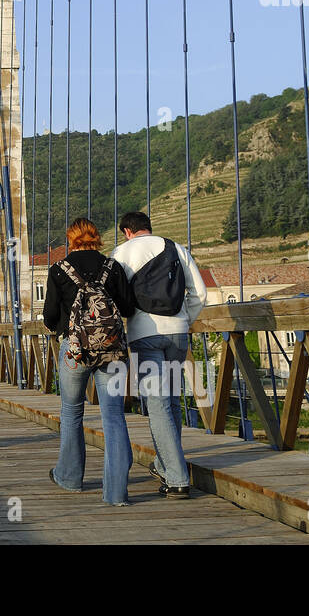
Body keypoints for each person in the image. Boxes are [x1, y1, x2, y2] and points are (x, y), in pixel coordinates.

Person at [110, 211, 207, 499]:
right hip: (177, 335)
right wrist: (183, 321)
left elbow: (114, 299)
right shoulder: (176, 248)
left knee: (157, 404)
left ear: (127, 231)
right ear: (148, 227)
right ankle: (165, 465)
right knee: (172, 401)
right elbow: (200, 293)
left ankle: (177, 479)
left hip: (144, 335)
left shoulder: (121, 253)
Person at [42, 217, 138, 504]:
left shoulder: (59, 269)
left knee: (72, 412)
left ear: (71, 239)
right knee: (113, 416)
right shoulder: (112, 267)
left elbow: (49, 315)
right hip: (110, 351)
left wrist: (61, 328)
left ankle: (70, 478)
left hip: (74, 351)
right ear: (96, 237)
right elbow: (127, 308)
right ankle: (116, 493)